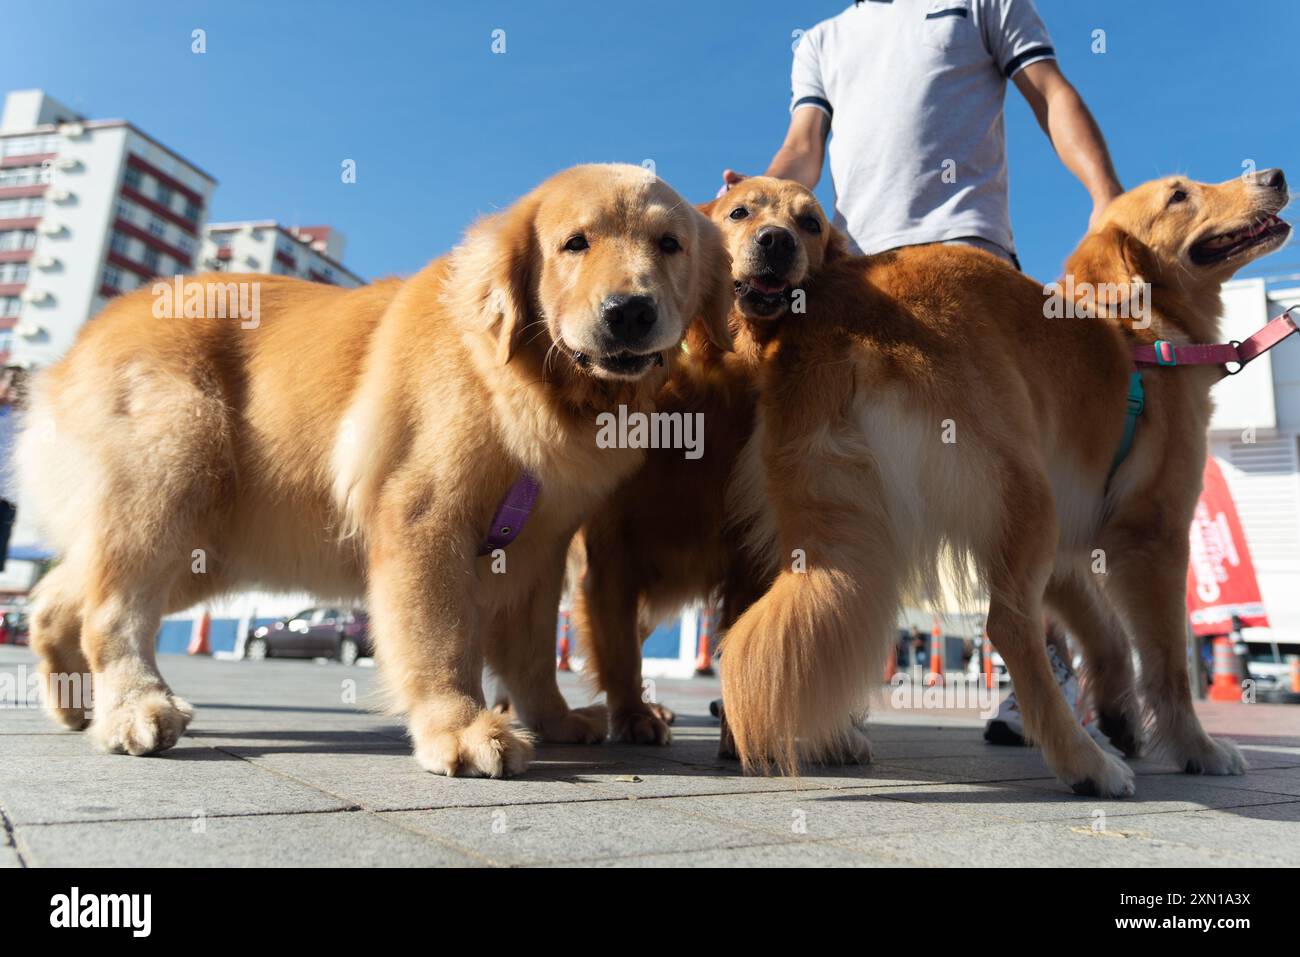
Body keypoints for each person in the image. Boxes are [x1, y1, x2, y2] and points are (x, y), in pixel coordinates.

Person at [722, 0, 1121, 743]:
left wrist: (1105, 197)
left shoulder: (986, 3)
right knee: (852, 497)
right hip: (858, 281)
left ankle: (1043, 671)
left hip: (969, 268)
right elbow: (803, 151)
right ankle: (828, 687)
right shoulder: (821, 40)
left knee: (1017, 486)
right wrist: (749, 200)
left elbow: (1050, 92)